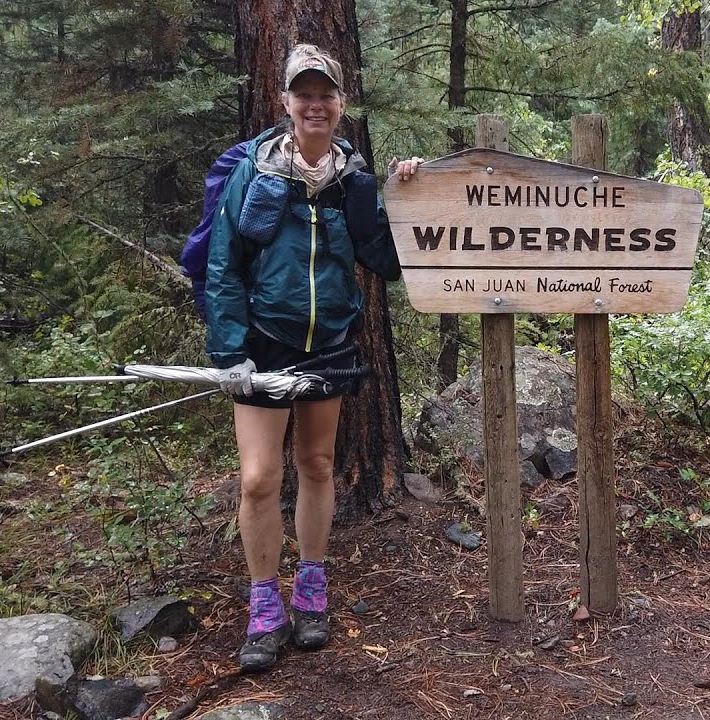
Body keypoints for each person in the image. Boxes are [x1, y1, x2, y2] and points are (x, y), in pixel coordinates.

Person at [204, 43, 424, 672]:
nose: (315, 104)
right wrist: (229, 351)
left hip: (328, 342)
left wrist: (406, 195)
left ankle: (312, 587)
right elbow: (223, 264)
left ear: (341, 104)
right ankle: (264, 602)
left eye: (325, 94)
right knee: (258, 478)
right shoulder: (254, 171)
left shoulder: (353, 180)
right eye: (304, 95)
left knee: (319, 464)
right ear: (286, 104)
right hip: (262, 345)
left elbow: (386, 260)